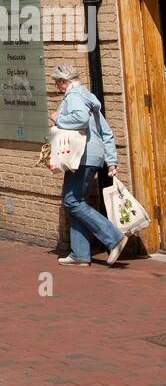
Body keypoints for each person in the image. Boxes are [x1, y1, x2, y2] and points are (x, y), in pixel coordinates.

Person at [51, 64, 127, 267]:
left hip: (80, 156)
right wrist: (111, 160)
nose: (56, 88)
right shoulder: (88, 97)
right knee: (77, 201)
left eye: (57, 83)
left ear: (63, 82)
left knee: (71, 201)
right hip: (93, 156)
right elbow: (106, 131)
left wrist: (58, 119)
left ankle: (114, 237)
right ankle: (80, 254)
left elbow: (80, 118)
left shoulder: (74, 96)